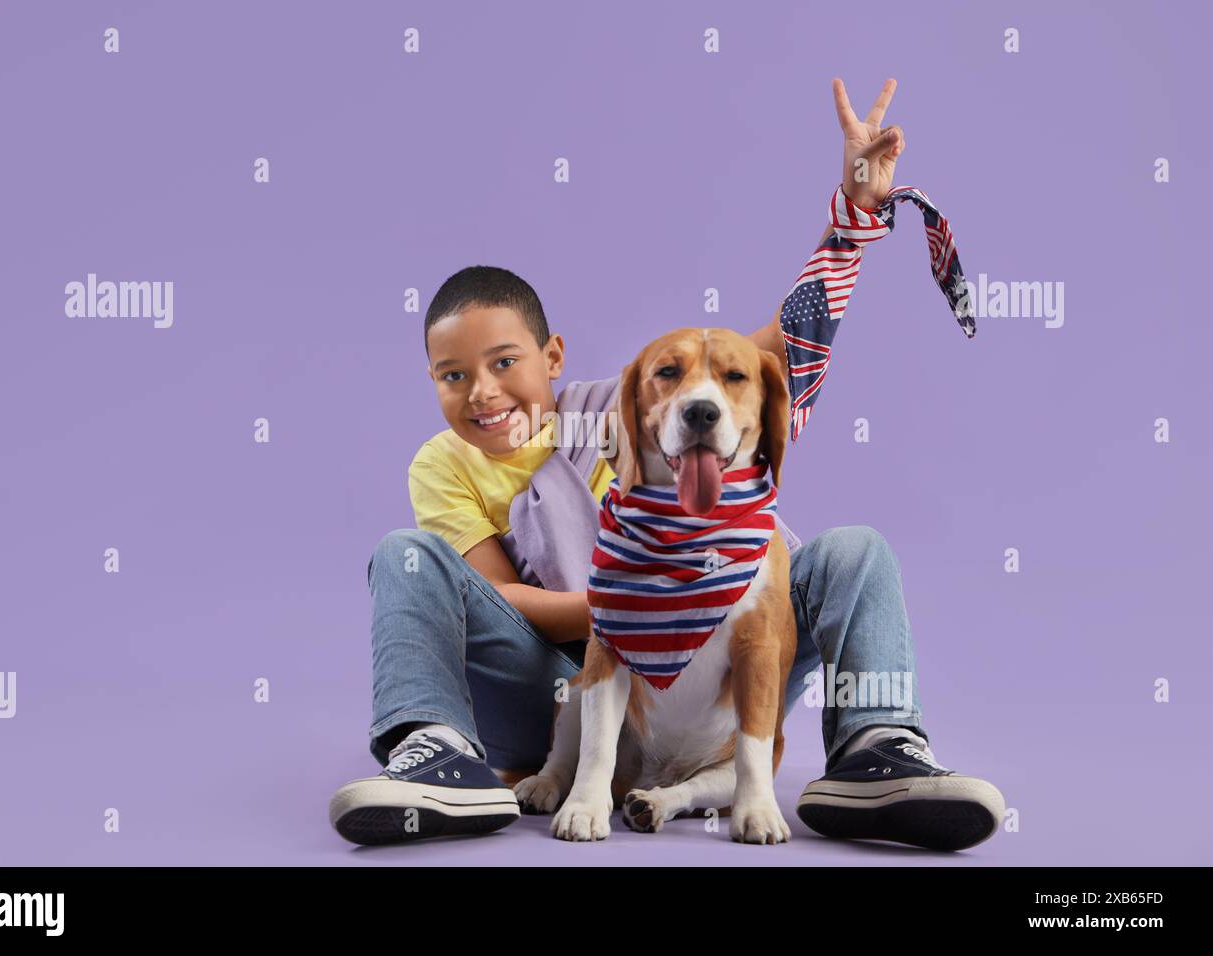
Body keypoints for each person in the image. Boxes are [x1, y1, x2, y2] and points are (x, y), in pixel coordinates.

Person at [328, 78, 1005, 851]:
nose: (483, 393)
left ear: (552, 358)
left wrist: (851, 222)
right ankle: (435, 749)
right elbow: (502, 597)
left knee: (857, 551)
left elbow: (765, 358)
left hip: (724, 665)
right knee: (405, 559)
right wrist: (642, 605)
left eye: (505, 362)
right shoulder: (443, 466)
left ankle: (874, 750)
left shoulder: (625, 410)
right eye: (453, 377)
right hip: (563, 685)